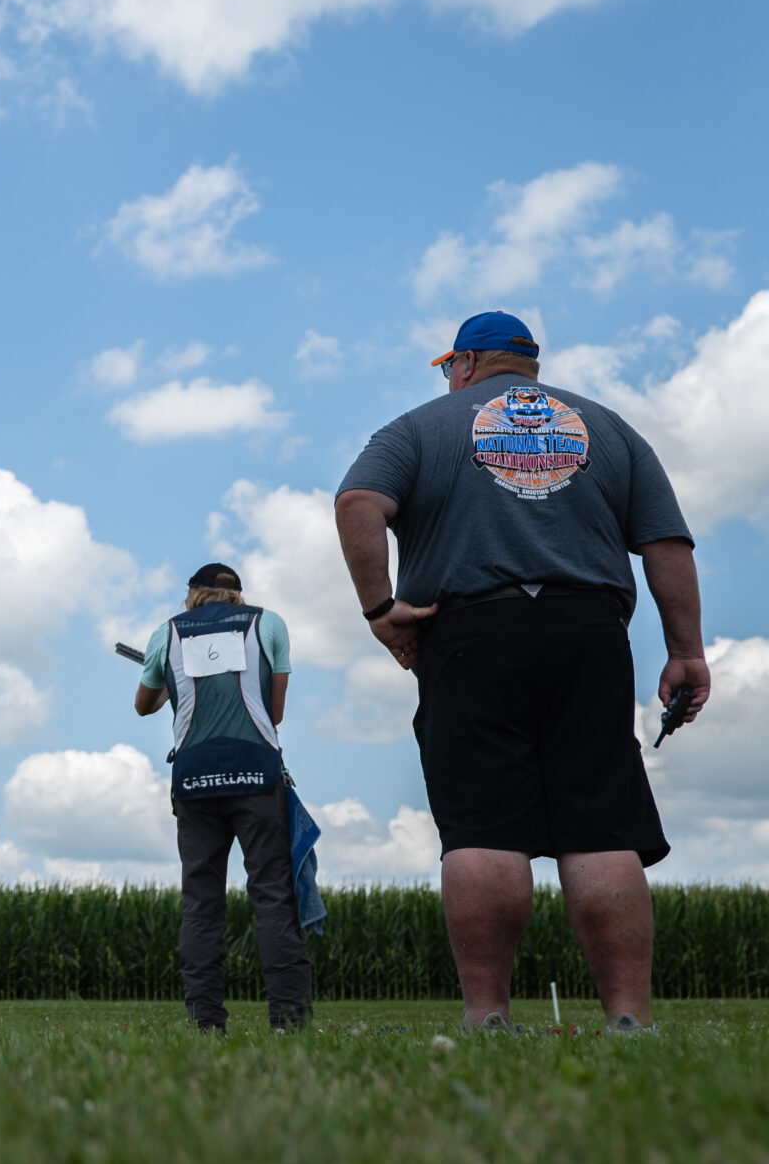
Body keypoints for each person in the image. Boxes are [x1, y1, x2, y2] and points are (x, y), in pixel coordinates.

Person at [334, 310, 710, 1035]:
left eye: (449, 365)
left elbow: (358, 503)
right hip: (588, 630)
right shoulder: (610, 428)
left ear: (467, 362)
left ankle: (487, 1015)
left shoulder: (418, 428)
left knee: (481, 827)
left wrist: (381, 607)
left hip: (470, 631)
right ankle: (629, 1017)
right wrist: (685, 649)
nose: (449, 377)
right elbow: (666, 541)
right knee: (602, 824)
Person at [134, 562, 312, 1034]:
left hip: (193, 781)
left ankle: (206, 1027)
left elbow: (143, 704)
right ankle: (288, 1025)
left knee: (201, 904)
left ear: (193, 594)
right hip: (256, 774)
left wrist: (170, 683)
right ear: (237, 595)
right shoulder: (268, 623)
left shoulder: (164, 634)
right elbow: (274, 713)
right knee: (273, 897)